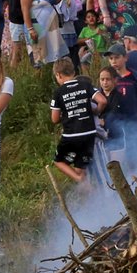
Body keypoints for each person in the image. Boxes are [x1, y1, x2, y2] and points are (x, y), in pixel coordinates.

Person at [48, 55, 104, 185]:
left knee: (58, 160)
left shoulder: (58, 92)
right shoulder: (85, 84)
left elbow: (54, 119)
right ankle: (89, 193)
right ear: (74, 72)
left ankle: (80, 180)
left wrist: (68, 114)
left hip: (71, 135)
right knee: (80, 167)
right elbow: (102, 101)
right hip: (89, 133)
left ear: (58, 75)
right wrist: (95, 111)